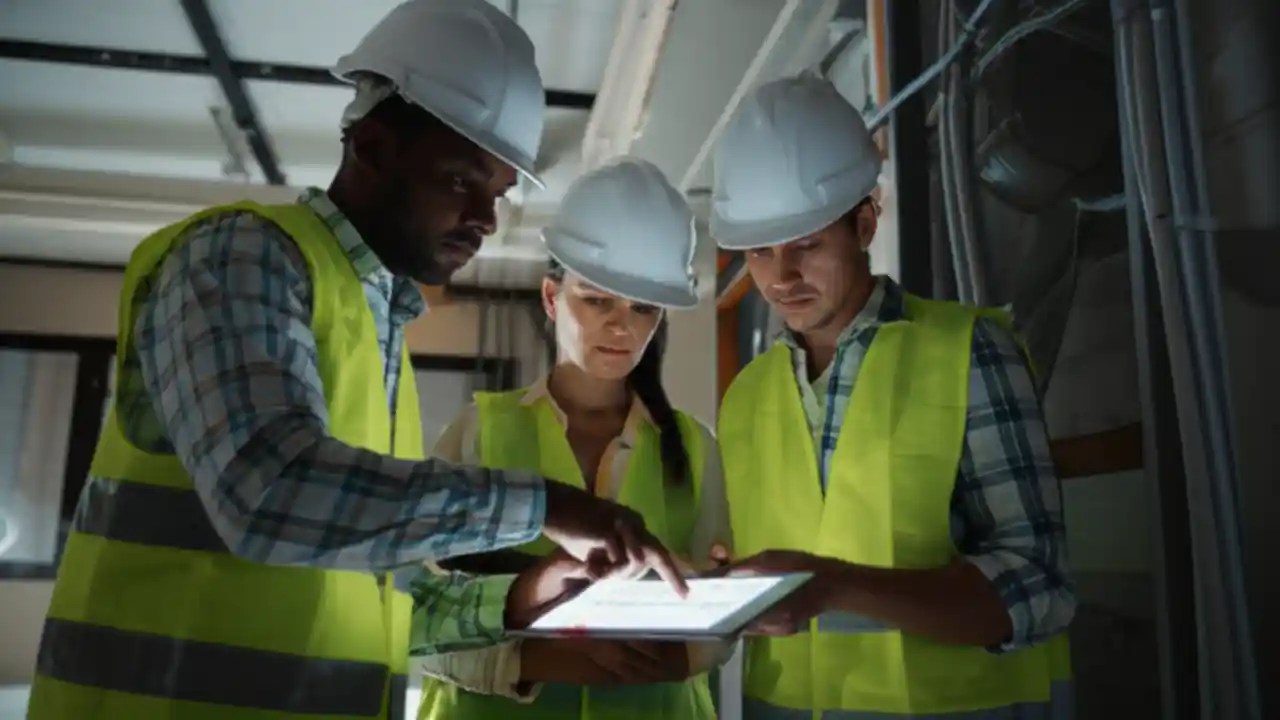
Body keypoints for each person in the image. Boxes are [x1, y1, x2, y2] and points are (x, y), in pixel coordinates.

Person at [27, 3, 683, 719]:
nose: (487, 221)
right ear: (372, 146)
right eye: (462, 180)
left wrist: (525, 595)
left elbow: (375, 605)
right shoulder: (240, 257)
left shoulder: (376, 329)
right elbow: (269, 495)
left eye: (497, 193)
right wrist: (549, 505)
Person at [708, 75, 1076, 718]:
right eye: (759, 251)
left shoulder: (968, 353)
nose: (781, 275)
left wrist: (834, 587)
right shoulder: (746, 397)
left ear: (865, 222)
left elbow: (1039, 588)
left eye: (806, 244)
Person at [412, 158, 734, 720]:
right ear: (551, 297)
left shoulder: (695, 448)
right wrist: (541, 660)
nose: (621, 326)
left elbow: (722, 616)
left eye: (642, 307)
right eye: (597, 299)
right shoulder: (478, 434)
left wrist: (678, 653)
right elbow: (417, 615)